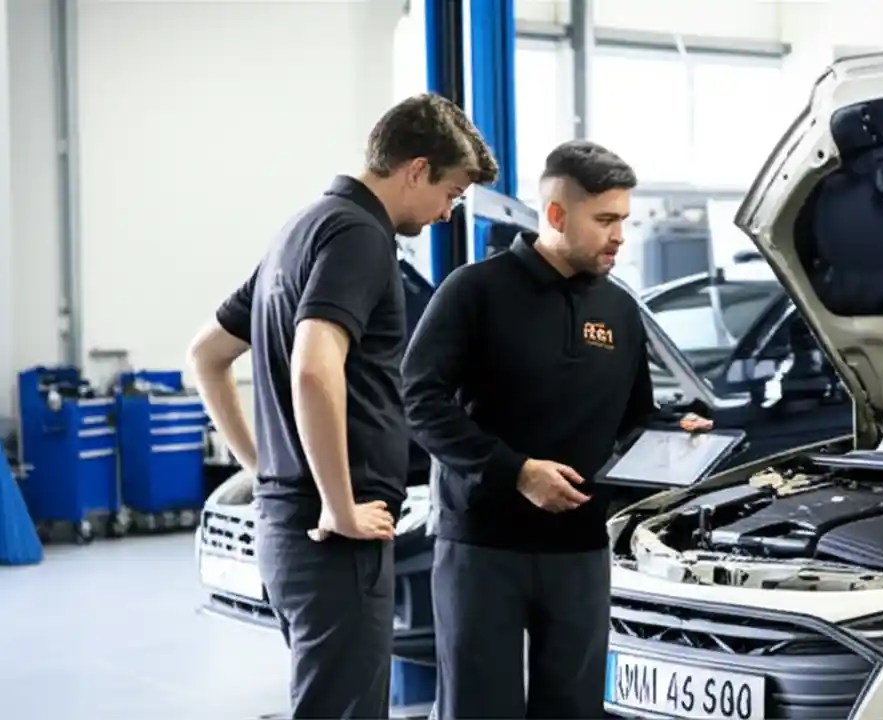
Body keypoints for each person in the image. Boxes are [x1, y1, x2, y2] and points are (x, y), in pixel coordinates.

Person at [185, 92, 497, 719]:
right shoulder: (360, 236)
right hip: (333, 540)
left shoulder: (301, 228)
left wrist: (264, 468)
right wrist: (339, 503)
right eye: (451, 194)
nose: (446, 213)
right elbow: (313, 367)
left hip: (287, 528)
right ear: (416, 170)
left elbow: (206, 354)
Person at [402, 139, 712, 719]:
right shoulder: (474, 291)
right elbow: (418, 401)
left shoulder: (620, 310)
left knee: (574, 709)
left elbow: (634, 418)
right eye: (605, 220)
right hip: (483, 547)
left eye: (624, 220)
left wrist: (677, 431)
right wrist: (516, 473)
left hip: (580, 550)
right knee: (478, 709)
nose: (619, 236)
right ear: (556, 214)